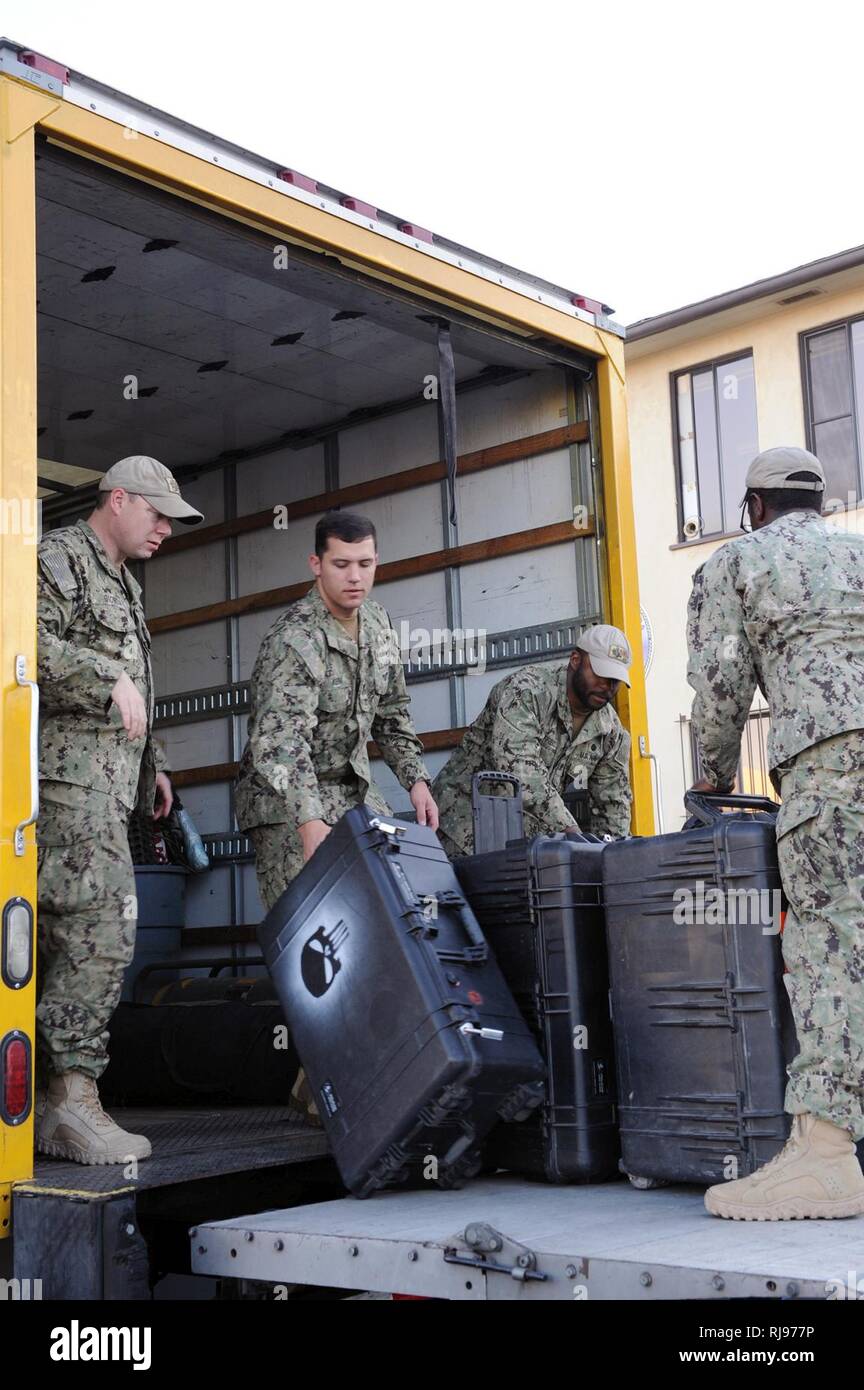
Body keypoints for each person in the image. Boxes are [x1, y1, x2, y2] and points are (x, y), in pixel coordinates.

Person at [687, 445, 864, 1220]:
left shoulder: (736, 562)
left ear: (754, 507)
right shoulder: (859, 555)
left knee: (831, 944)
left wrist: (715, 775)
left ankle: (824, 1154)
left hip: (829, 769)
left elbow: (721, 685)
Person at [35, 455, 204, 1165]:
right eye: (158, 513)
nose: (166, 528)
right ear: (119, 499)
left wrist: (154, 767)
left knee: (72, 938)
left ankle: (49, 1099)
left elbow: (133, 690)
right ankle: (71, 1100)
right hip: (63, 789)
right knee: (103, 929)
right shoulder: (59, 557)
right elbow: (24, 647)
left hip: (109, 789)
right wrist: (105, 673)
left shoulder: (125, 585)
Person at [235, 511, 438, 912]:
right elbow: (280, 743)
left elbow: (392, 711)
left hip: (351, 787)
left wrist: (417, 781)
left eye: (365, 564)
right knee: (315, 921)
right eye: (341, 564)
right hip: (285, 797)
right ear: (317, 565)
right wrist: (309, 821)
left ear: (376, 561)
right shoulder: (294, 640)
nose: (355, 577)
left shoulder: (378, 623)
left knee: (397, 897)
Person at [432, 625, 633, 857]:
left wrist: (611, 859)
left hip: (518, 841)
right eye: (600, 674)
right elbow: (520, 772)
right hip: (461, 824)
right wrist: (571, 831)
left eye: (615, 680)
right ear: (575, 660)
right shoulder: (527, 691)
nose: (607, 686)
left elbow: (613, 805)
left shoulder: (611, 733)